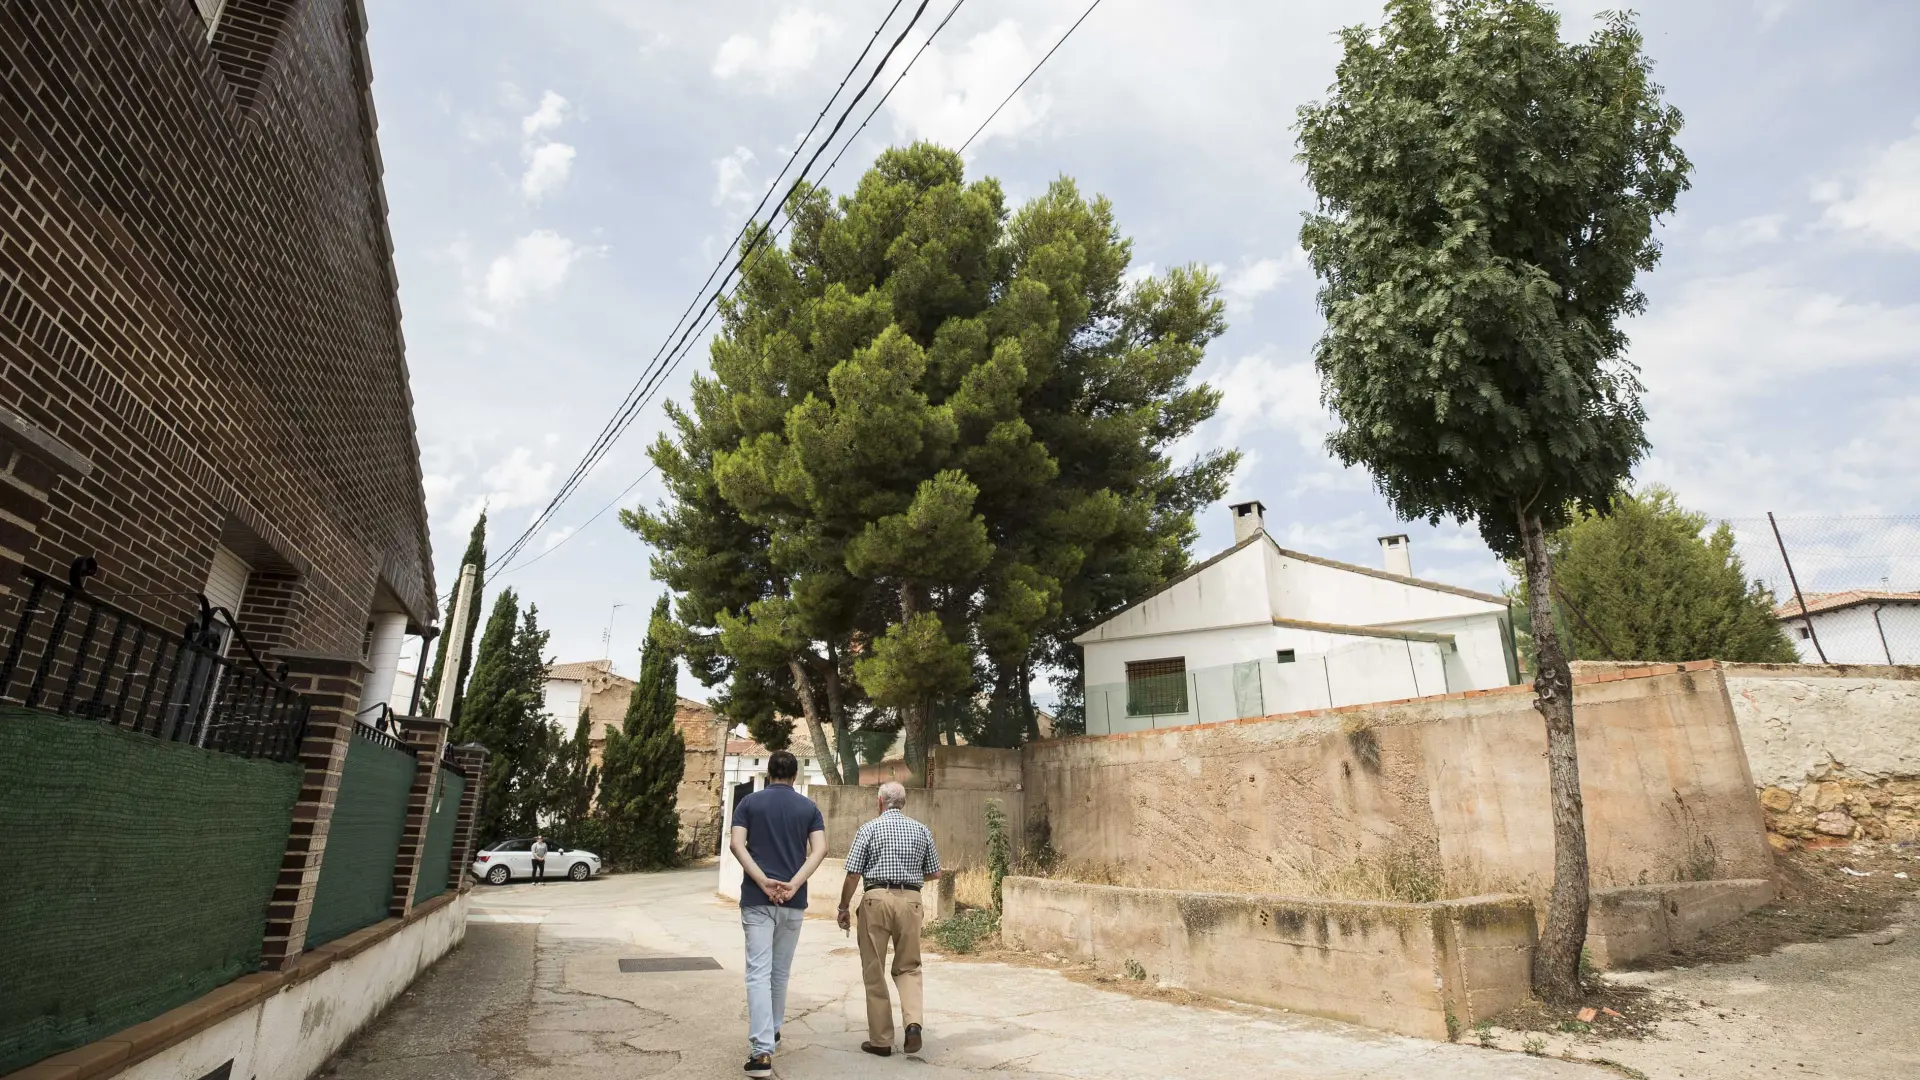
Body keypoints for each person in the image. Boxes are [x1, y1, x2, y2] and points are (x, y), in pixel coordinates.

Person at [729, 750, 827, 1078]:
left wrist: (761, 880)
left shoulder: (749, 804)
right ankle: (772, 1032)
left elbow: (736, 844)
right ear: (795, 776)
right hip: (793, 902)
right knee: (779, 973)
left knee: (759, 972)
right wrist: (794, 884)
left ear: (769, 773)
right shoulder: (809, 808)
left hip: (758, 898)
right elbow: (821, 850)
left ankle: (761, 1053)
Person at [837, 781, 941, 1058]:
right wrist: (911, 877)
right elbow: (934, 873)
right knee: (909, 966)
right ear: (903, 803)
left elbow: (852, 874)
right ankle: (913, 1025)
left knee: (874, 970)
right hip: (911, 901)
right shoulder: (921, 830)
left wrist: (844, 906)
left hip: (876, 899)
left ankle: (882, 1041)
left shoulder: (868, 829)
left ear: (880, 802)